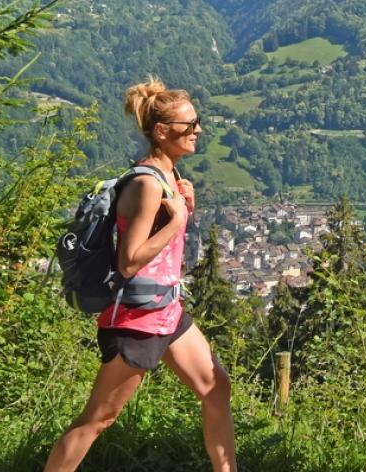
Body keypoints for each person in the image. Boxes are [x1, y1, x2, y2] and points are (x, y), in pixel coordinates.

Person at [46, 79, 237, 472]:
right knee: (97, 420)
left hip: (166, 312)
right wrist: (178, 220)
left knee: (217, 388)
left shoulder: (168, 178)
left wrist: (184, 210)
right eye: (190, 124)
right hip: (138, 320)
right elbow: (129, 261)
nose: (198, 129)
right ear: (162, 132)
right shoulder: (147, 184)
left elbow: (161, 250)